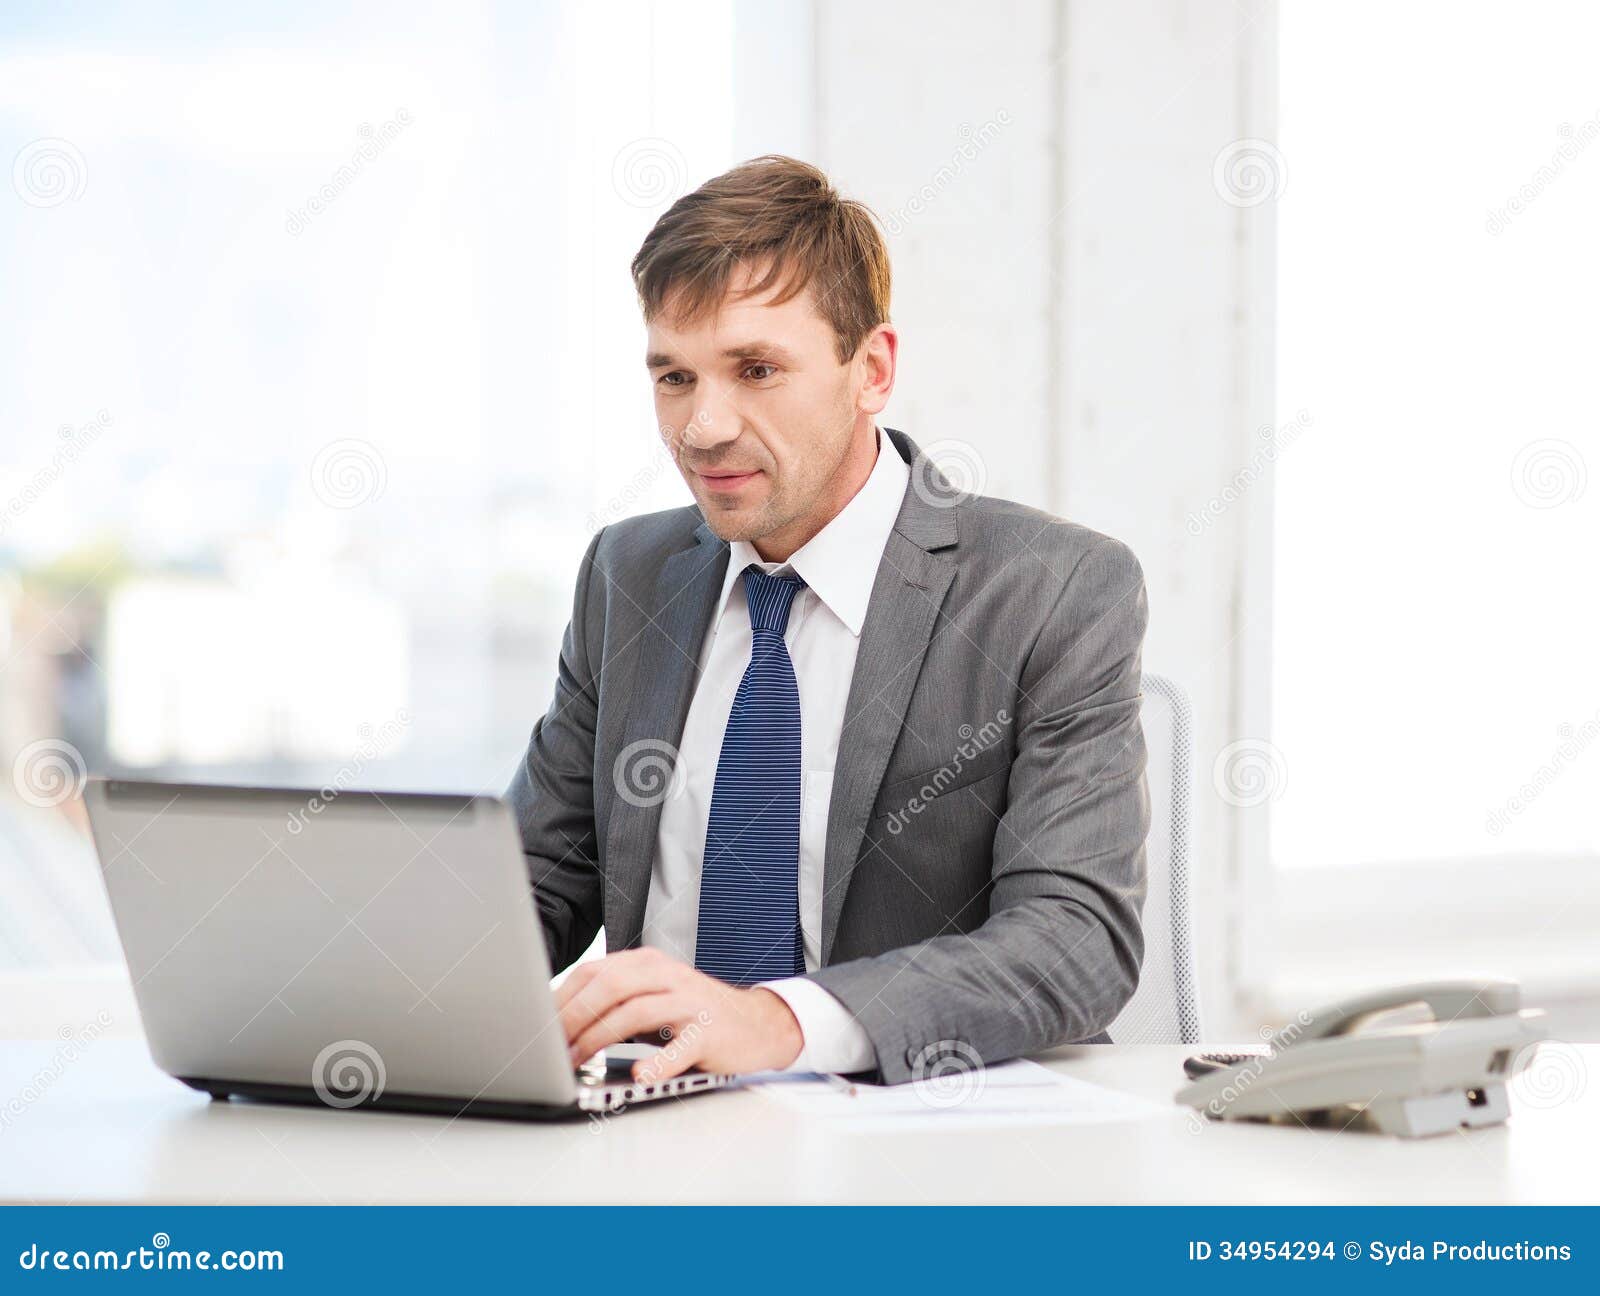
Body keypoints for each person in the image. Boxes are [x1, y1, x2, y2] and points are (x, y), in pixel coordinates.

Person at [507, 155, 1150, 1085]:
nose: (702, 427)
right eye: (674, 377)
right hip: (649, 1134)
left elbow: (1074, 940)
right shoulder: (628, 573)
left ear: (871, 370)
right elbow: (537, 880)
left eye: (757, 369)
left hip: (913, 1147)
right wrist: (372, 979)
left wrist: (779, 1023)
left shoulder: (1055, 590)